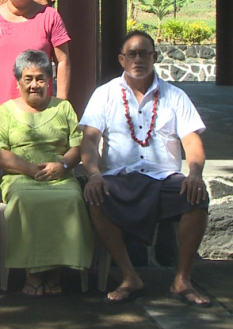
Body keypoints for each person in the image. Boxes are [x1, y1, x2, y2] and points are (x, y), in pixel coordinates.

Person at [80, 31, 211, 306]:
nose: (137, 59)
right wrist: (93, 175)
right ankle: (129, 276)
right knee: (95, 197)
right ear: (121, 59)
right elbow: (89, 141)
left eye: (144, 53)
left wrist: (195, 174)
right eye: (131, 54)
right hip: (120, 177)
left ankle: (181, 280)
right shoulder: (104, 95)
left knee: (197, 197)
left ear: (155, 57)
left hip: (164, 178)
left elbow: (192, 141)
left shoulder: (175, 95)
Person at [0, 0, 71, 217]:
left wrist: (61, 103)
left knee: (40, 159)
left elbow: (63, 61)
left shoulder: (49, 16)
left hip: (41, 107)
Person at [0, 50, 93, 297]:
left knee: (71, 199)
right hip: (20, 177)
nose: (34, 85)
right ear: (18, 81)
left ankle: (55, 270)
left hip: (60, 176)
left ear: (50, 79)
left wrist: (63, 166)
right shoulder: (5, 111)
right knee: (26, 201)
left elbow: (77, 146)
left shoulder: (64, 107)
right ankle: (34, 273)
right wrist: (28, 169)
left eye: (40, 78)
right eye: (28, 79)